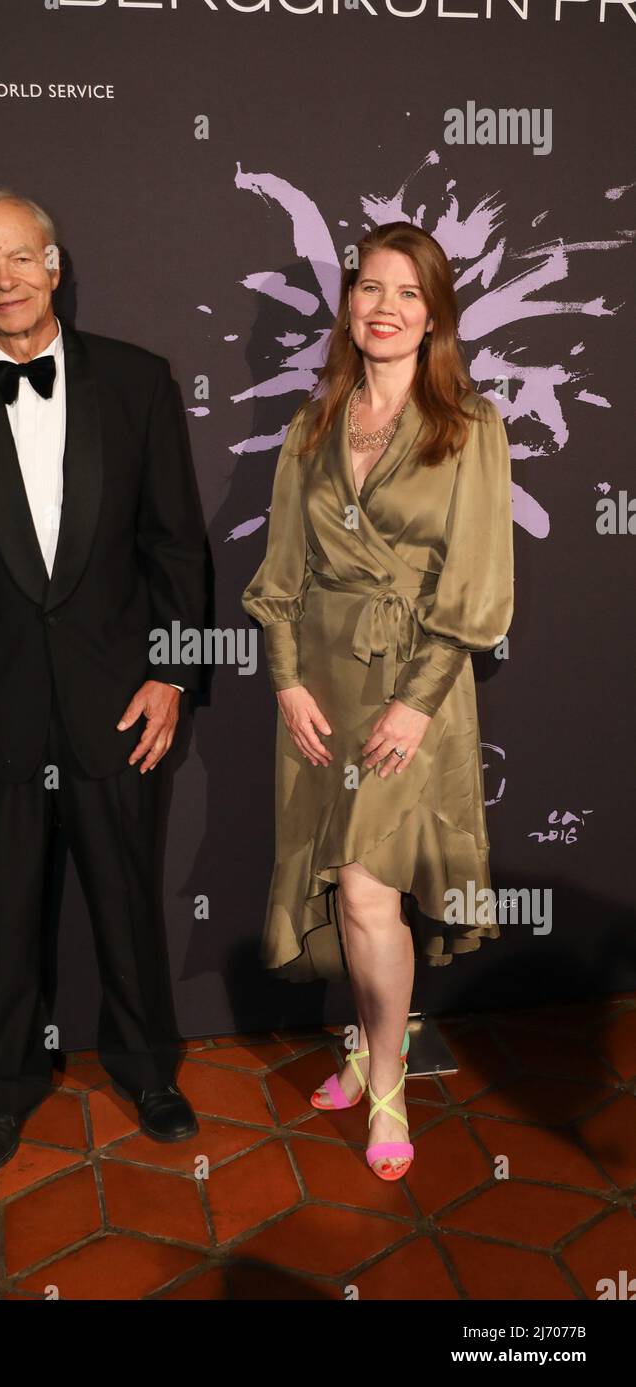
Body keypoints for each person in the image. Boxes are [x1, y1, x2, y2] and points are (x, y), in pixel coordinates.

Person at [0, 188, 207, 1172]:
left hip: (118, 695)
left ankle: (147, 1066)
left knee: (125, 894)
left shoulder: (137, 379)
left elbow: (175, 546)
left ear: (54, 266)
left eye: (19, 258)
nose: (4, 280)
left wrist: (172, 675)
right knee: (6, 906)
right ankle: (10, 1085)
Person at [241, 222, 514, 1181]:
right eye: (368, 288)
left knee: (367, 890)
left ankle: (389, 1080)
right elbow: (279, 572)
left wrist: (417, 701)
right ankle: (366, 1041)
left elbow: (478, 586)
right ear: (348, 304)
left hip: (414, 688)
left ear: (435, 314)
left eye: (406, 292)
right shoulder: (312, 424)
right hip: (320, 688)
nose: (383, 307)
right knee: (352, 900)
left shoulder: (471, 425)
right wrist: (284, 678)